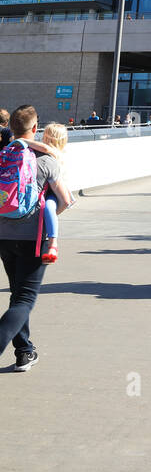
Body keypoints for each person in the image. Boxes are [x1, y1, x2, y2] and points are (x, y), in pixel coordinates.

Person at [0, 106, 75, 371]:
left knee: (17, 294)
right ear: (36, 128)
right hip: (32, 238)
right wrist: (49, 216)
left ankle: (24, 351)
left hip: (4, 237)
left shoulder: (4, 154)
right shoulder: (46, 160)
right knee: (25, 299)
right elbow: (65, 200)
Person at [28, 122, 70, 263]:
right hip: (51, 189)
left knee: (49, 207)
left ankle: (53, 244)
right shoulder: (60, 152)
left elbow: (44, 147)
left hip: (54, 191)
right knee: (48, 209)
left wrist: (21, 140)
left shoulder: (52, 152)